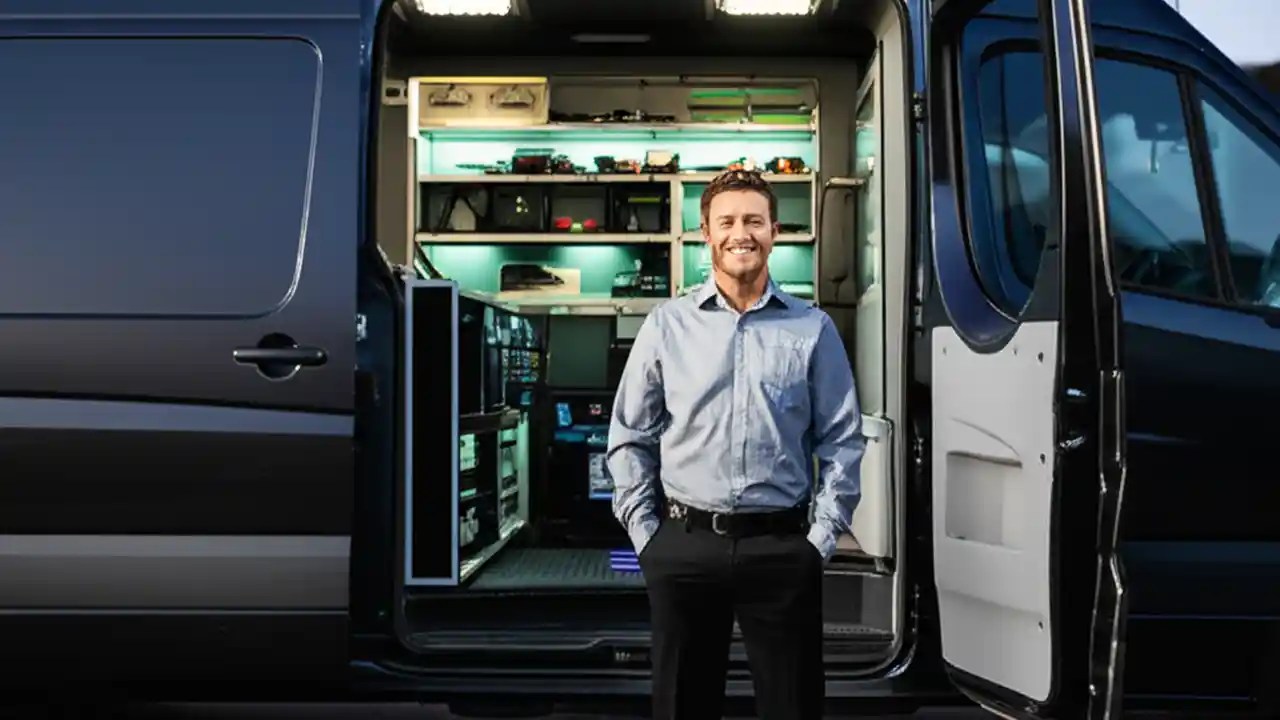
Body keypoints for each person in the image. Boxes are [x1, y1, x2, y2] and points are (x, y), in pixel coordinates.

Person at [606, 168, 866, 720]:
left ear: (775, 231)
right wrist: (647, 535)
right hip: (683, 544)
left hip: (781, 548)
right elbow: (630, 436)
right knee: (682, 706)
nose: (740, 233)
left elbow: (842, 440)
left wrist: (817, 542)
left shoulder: (812, 329)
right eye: (726, 221)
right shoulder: (667, 325)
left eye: (753, 220)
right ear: (707, 233)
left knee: (793, 706)